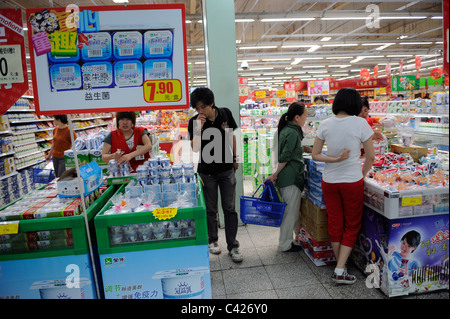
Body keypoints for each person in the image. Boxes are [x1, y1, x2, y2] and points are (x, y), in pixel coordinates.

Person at [311, 87, 375, 285]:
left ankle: (341, 266)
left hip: (329, 181)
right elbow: (371, 156)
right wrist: (361, 174)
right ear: (356, 104)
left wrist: (335, 158)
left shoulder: (325, 124)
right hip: (351, 181)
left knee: (335, 222)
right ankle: (340, 269)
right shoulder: (361, 123)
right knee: (352, 224)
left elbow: (315, 155)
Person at [188, 87, 242, 263]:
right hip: (206, 172)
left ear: (211, 103)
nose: (200, 111)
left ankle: (233, 246)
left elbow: (231, 136)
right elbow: (195, 148)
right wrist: (198, 128)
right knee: (211, 210)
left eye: (203, 107)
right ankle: (213, 241)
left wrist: (235, 157)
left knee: (229, 208)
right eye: (197, 108)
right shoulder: (194, 122)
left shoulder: (225, 113)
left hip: (226, 170)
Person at [266, 102, 307, 252]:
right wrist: (275, 174)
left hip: (287, 177)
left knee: (292, 212)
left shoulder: (287, 130)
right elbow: (285, 156)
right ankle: (285, 244)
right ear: (297, 117)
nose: (305, 119)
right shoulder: (292, 132)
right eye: (305, 115)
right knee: (290, 214)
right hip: (290, 178)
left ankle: (296, 238)